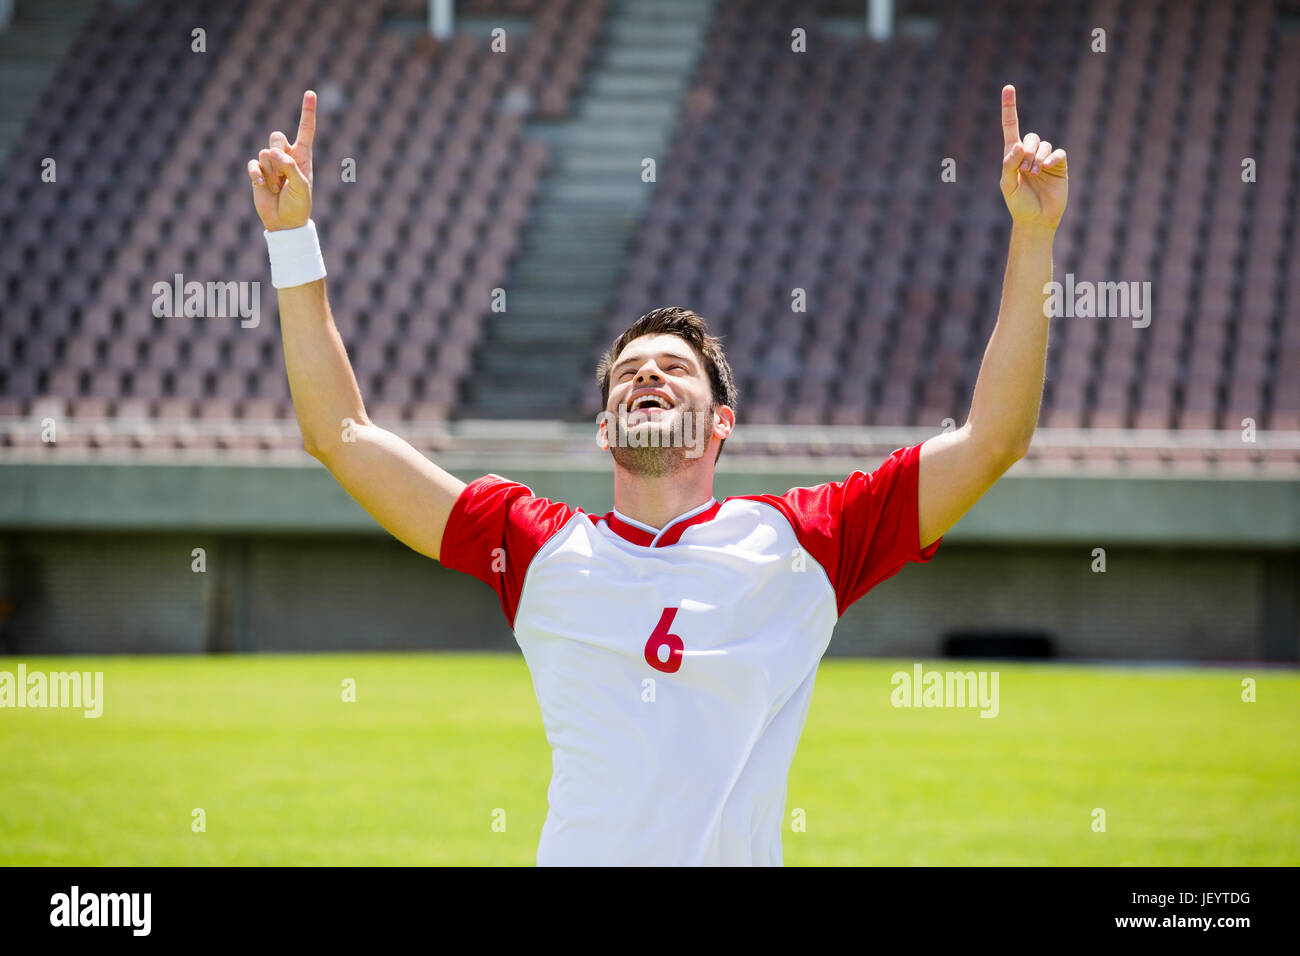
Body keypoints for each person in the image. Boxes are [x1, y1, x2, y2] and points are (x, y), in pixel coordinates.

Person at [248, 85, 1067, 865]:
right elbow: (341, 436)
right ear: (605, 427)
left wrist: (1032, 238)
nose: (648, 376)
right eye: (629, 371)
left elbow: (995, 438)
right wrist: (291, 239)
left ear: (722, 423)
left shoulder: (808, 540)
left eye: (675, 368)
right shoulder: (533, 546)